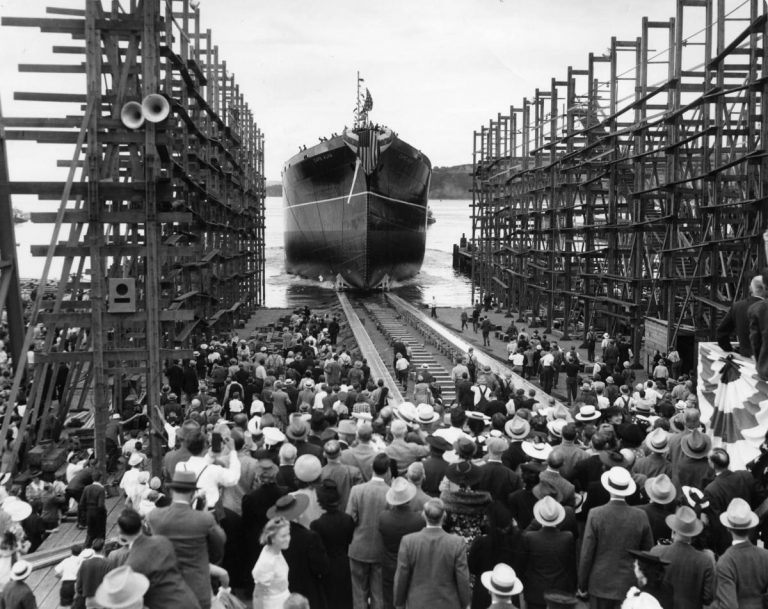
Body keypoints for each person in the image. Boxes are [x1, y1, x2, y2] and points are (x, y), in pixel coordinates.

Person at [147, 468, 226, 609]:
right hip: (198, 591)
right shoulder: (204, 519)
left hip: (168, 592)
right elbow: (221, 541)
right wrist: (203, 510)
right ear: (192, 492)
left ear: (171, 491)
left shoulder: (155, 516)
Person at [578, 467, 653, 608]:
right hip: (629, 585)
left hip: (599, 583)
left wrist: (582, 584)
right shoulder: (640, 515)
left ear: (609, 488)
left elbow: (587, 553)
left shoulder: (596, 514)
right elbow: (648, 552)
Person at [393, 498, 470, 609]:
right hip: (448, 604)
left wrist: (399, 603)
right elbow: (463, 578)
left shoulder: (408, 541)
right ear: (444, 516)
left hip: (418, 603)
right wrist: (465, 603)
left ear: (424, 515)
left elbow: (401, 576)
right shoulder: (457, 543)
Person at [117, 508, 201, 609]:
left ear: (121, 533)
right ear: (141, 524)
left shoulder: (131, 565)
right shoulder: (163, 541)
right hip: (188, 600)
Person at [346, 453, 391, 609]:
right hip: (380, 550)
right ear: (387, 471)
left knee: (359, 592)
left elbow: (349, 519)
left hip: (358, 548)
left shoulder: (357, 490)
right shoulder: (390, 493)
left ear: (372, 468)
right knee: (378, 594)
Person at [650, 506, 715, 609]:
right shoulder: (704, 561)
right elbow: (708, 597)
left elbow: (649, 585)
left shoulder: (656, 552)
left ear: (673, 531)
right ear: (693, 534)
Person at [521, 497, 577, 609]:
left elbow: (525, 566)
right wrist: (573, 589)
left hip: (535, 593)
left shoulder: (530, 537)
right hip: (560, 594)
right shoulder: (567, 537)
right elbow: (572, 567)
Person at [713, 498, 768, 609]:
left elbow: (729, 605)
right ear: (750, 527)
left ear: (728, 528)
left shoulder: (725, 561)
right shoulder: (765, 555)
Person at [377, 478, 424, 609]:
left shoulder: (383, 517)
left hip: (389, 564)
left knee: (389, 598)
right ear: (409, 498)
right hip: (411, 565)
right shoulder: (419, 520)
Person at [310, 480, 355, 609]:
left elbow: (318, 548)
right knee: (346, 597)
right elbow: (349, 539)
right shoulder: (348, 519)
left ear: (321, 503)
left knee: (330, 599)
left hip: (327, 566)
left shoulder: (316, 524)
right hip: (344, 562)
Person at [717, 274, 764, 356]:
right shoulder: (764, 307)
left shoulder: (737, 306)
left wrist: (730, 350)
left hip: (745, 357)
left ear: (751, 288)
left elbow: (721, 333)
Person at [251, 517, 291, 609]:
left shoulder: (275, 550)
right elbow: (257, 596)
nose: (288, 539)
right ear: (272, 538)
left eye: (288, 534)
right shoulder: (267, 563)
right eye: (283, 536)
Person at [79, 470, 106, 547]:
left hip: (89, 512)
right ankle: (100, 549)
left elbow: (81, 503)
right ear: (100, 478)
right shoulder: (101, 489)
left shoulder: (86, 488)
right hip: (98, 513)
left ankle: (85, 549)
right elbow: (100, 505)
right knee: (100, 533)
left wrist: (85, 512)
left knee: (90, 533)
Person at [54, 544, 83, 608]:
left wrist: (63, 577)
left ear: (71, 552)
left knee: (66, 606)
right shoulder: (82, 561)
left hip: (66, 584)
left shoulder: (66, 560)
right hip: (77, 584)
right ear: (81, 552)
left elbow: (56, 573)